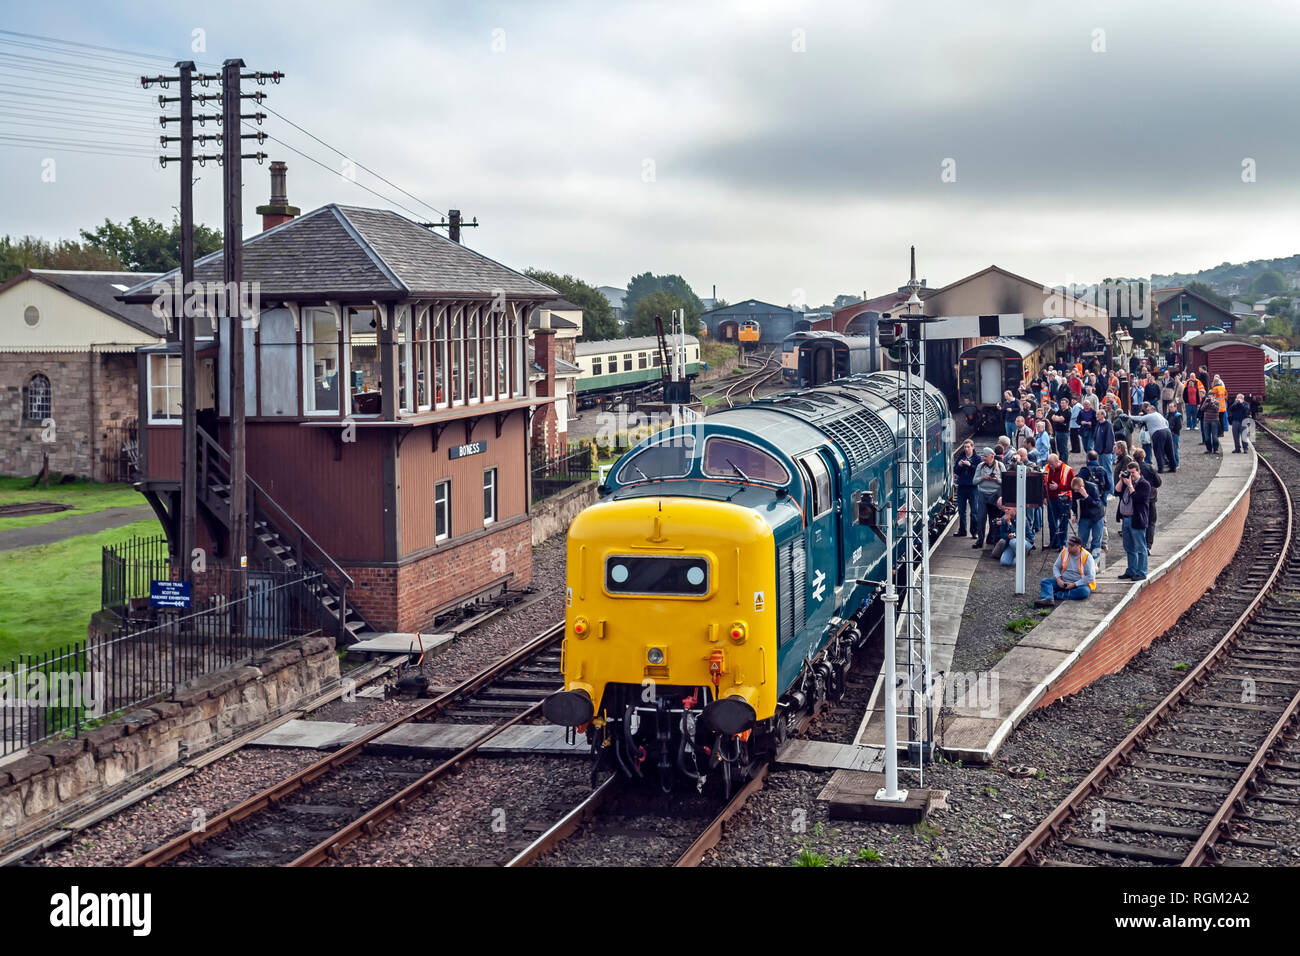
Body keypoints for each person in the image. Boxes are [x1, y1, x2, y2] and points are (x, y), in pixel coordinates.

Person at [1035, 536, 1097, 608]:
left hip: (1079, 584)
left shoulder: (1087, 556)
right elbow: (1056, 566)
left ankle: (1058, 595)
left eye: (1071, 545)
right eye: (1068, 544)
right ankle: (1048, 599)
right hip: (1063, 582)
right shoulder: (1064, 551)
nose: (1069, 547)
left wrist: (1074, 584)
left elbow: (1091, 577)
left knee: (1084, 592)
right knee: (1045, 581)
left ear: (1078, 546)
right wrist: (1059, 579)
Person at [1115, 462, 1150, 581]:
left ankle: (1141, 572)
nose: (1131, 475)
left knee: (1140, 547)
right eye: (1128, 473)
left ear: (1139, 471)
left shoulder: (1144, 484)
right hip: (1125, 519)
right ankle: (1131, 570)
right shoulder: (1126, 482)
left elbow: (1138, 499)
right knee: (1129, 547)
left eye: (1133, 473)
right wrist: (1121, 480)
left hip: (1136, 519)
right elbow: (1116, 491)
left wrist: (1130, 485)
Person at [971, 447, 1004, 548]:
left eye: (986, 456)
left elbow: (1006, 481)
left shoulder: (1000, 465)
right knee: (981, 517)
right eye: (983, 456)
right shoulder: (980, 466)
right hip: (983, 495)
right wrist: (983, 477)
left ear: (992, 457)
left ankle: (992, 538)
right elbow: (974, 481)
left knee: (993, 518)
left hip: (995, 495)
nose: (983, 458)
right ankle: (980, 540)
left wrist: (996, 479)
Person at [1129, 403, 1176, 473]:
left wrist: (1130, 416)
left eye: (1148, 410)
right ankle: (1173, 467)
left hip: (1158, 433)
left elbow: (1139, 418)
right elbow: (1166, 422)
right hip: (1167, 431)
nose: (1147, 412)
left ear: (1152, 410)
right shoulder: (1159, 414)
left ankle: (1161, 468)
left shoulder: (1149, 416)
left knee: (1158, 451)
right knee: (1170, 451)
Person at [1132, 447, 1161, 552]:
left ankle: (1139, 544)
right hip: (1150, 499)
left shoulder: (1131, 469)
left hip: (1136, 499)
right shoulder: (1149, 468)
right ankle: (1148, 545)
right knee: (1151, 522)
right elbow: (1158, 482)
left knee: (1138, 521)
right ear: (1144, 457)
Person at [1044, 452, 1075, 549]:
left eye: (1052, 464)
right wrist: (1045, 496)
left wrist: (1058, 487)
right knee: (1051, 521)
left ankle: (1062, 543)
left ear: (1057, 462)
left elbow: (1073, 486)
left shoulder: (1068, 470)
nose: (1050, 466)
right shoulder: (1047, 468)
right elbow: (1044, 483)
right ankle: (1053, 543)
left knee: (1063, 522)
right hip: (1051, 499)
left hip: (1064, 500)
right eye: (1049, 463)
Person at [953, 439, 977, 536]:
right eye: (965, 447)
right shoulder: (960, 457)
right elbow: (956, 471)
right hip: (962, 486)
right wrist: (959, 466)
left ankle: (974, 532)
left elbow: (978, 471)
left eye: (968, 447)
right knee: (961, 510)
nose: (966, 449)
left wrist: (970, 465)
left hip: (973, 487)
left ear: (972, 447)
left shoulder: (977, 458)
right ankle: (962, 531)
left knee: (974, 511)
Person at [1050, 398, 1073, 463]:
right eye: (1061, 403)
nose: (1062, 404)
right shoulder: (1060, 410)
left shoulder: (1068, 412)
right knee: (1059, 448)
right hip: (1057, 431)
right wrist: (1057, 418)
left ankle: (1065, 462)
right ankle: (1060, 461)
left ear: (1067, 403)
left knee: (1064, 448)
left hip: (1064, 432)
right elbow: (1052, 417)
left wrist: (1057, 418)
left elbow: (1061, 419)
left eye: (1063, 403)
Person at [1201, 389, 1222, 454]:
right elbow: (1202, 409)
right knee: (1207, 436)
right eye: (1209, 395)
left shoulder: (1217, 402)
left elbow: (1217, 409)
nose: (1210, 397)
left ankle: (1215, 449)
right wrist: (1207, 403)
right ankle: (1209, 449)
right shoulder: (1206, 401)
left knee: (1214, 436)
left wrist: (1212, 403)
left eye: (1211, 396)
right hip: (1206, 420)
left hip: (1214, 421)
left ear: (1214, 396)